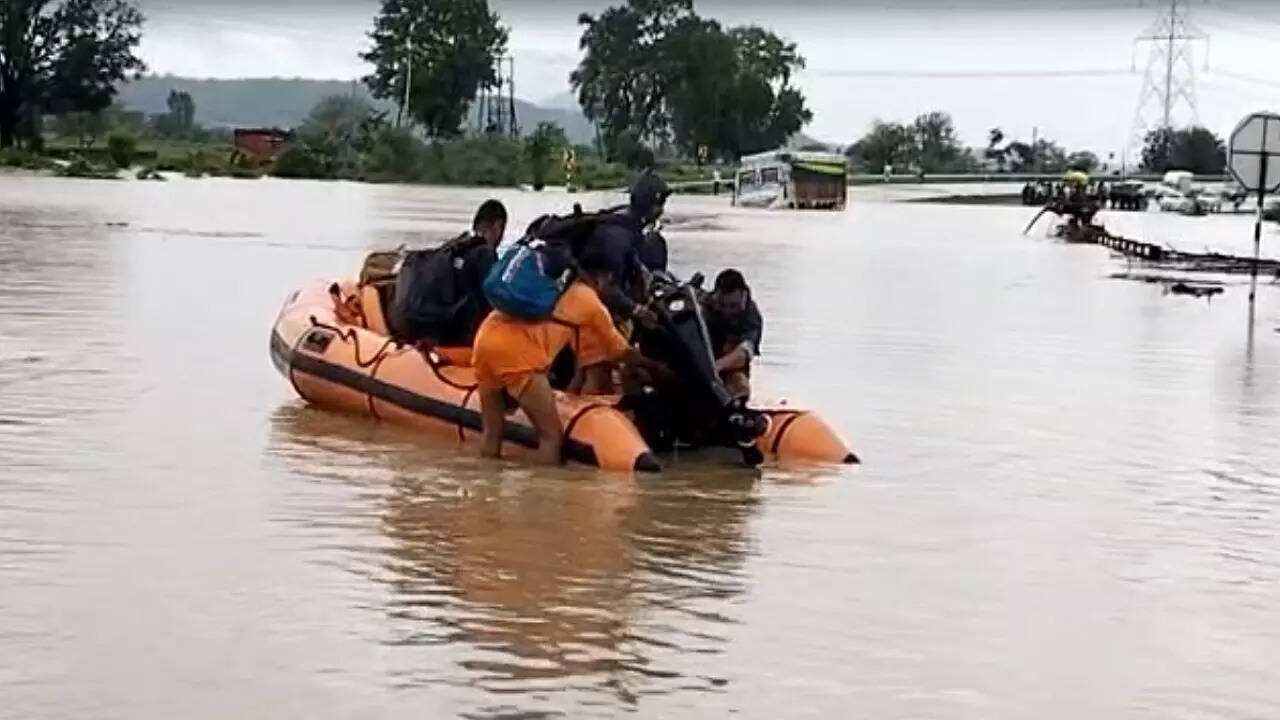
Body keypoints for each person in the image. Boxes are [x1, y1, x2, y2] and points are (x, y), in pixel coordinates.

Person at [471, 247, 669, 465]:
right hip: (519, 356)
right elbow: (619, 350)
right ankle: (545, 495)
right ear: (602, 278)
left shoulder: (551, 287)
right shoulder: (590, 302)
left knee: (492, 433)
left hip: (484, 341)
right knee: (551, 436)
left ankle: (486, 492)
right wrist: (654, 366)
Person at [572, 170, 671, 393]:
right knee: (597, 371)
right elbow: (605, 286)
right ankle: (579, 418)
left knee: (592, 370)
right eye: (660, 204)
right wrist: (635, 309)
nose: (662, 210)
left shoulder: (626, 226)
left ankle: (576, 407)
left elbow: (633, 263)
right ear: (650, 203)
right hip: (593, 309)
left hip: (595, 307)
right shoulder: (618, 234)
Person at [701, 269, 764, 401]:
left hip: (727, 369)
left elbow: (744, 352)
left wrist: (714, 368)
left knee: (739, 385)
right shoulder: (702, 304)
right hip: (695, 363)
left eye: (733, 306)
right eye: (723, 305)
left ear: (744, 295)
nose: (727, 311)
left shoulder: (751, 316)